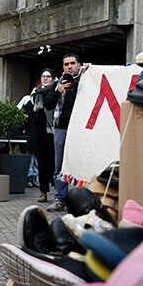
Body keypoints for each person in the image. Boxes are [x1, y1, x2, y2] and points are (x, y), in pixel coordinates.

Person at [44, 54, 85, 212]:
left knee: (80, 163)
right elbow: (48, 105)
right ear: (63, 67)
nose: (70, 66)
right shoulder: (58, 83)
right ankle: (60, 199)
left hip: (80, 128)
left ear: (78, 64)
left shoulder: (86, 79)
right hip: (61, 128)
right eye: (66, 64)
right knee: (59, 165)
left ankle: (79, 199)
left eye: (73, 63)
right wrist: (59, 90)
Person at [29, 68, 57, 203]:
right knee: (41, 162)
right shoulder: (36, 93)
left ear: (53, 78)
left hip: (53, 130)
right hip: (40, 131)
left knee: (55, 161)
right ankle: (43, 191)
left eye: (48, 76)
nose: (45, 79)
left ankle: (59, 192)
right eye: (43, 76)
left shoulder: (57, 91)